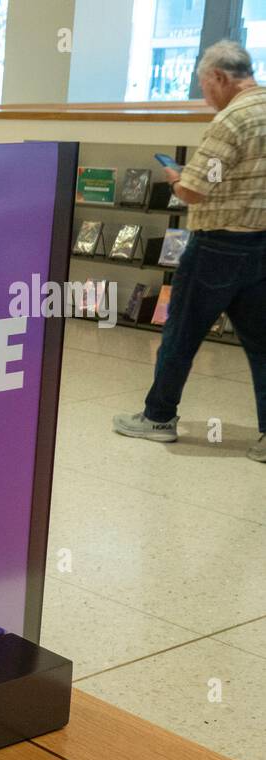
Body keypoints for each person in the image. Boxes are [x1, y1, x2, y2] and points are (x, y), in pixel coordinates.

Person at [112, 39, 266, 463]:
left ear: (219, 76)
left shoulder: (231, 121)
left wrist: (176, 179)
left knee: (181, 334)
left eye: (203, 86)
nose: (204, 96)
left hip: (218, 245)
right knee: (262, 343)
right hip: (262, 244)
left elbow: (197, 190)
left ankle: (158, 417)